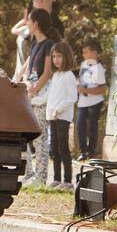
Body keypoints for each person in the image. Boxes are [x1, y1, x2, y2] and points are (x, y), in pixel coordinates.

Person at [22, 7, 56, 183]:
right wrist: (26, 84)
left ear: (36, 23)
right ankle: (27, 172)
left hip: (41, 94)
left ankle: (41, 177)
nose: (26, 23)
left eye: (29, 20)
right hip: (29, 92)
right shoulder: (33, 44)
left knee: (41, 138)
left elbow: (47, 72)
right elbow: (29, 69)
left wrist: (34, 88)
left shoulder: (49, 44)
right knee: (24, 135)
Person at [45, 42, 79, 188]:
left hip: (62, 117)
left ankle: (67, 181)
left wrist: (58, 109)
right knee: (54, 149)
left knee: (63, 148)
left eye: (59, 56)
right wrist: (34, 98)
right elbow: (49, 95)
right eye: (54, 56)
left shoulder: (69, 75)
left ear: (66, 57)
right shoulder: (56, 76)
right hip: (52, 117)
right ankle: (57, 179)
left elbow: (72, 98)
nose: (56, 59)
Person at [75, 39, 108, 161]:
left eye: (86, 52)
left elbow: (102, 89)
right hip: (82, 102)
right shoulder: (83, 65)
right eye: (83, 52)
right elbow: (81, 80)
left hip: (94, 102)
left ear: (94, 53)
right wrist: (78, 87)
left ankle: (91, 152)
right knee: (80, 126)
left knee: (92, 127)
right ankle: (83, 152)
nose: (84, 55)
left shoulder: (98, 69)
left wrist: (86, 91)